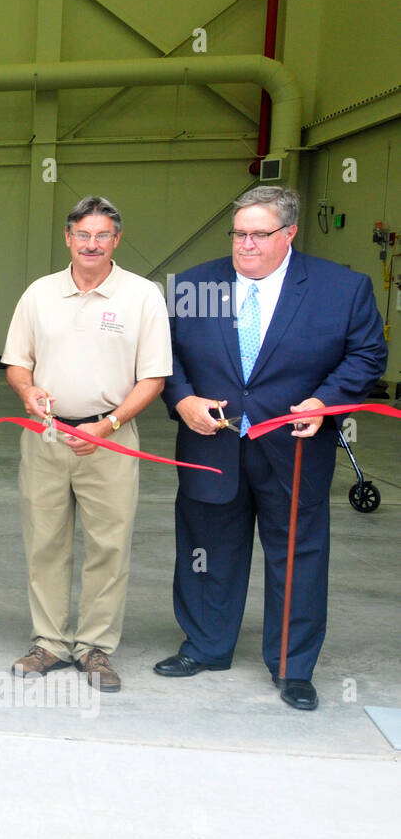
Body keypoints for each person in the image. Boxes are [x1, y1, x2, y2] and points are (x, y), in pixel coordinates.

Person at [155, 186, 387, 711]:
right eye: (238, 234)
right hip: (210, 446)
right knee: (205, 551)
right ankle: (206, 646)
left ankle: (292, 666)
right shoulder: (194, 287)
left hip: (295, 448)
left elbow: (368, 354)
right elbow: (161, 355)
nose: (246, 245)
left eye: (259, 234)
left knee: (297, 557)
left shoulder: (340, 288)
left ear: (290, 233)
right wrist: (183, 399)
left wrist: (325, 402)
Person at [1, 196, 171, 692]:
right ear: (68, 238)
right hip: (48, 435)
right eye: (82, 235)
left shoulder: (142, 296)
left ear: (116, 240)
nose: (91, 244)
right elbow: (17, 361)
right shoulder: (39, 294)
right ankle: (50, 642)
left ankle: (96, 647)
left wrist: (110, 424)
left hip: (110, 438)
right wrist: (26, 389)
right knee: (45, 542)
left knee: (108, 546)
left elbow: (154, 377)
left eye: (102, 236)